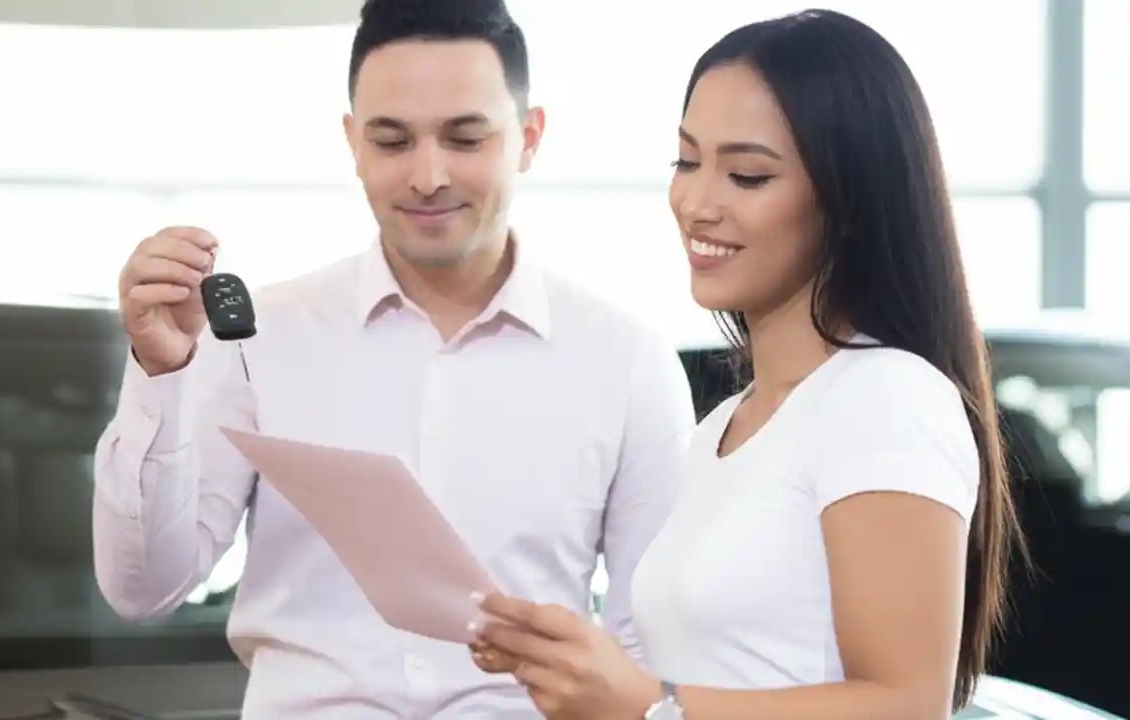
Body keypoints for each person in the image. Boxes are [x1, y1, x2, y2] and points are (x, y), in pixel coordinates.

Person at [91, 0, 696, 717]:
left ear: (529, 137)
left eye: (465, 139)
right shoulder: (260, 338)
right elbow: (142, 591)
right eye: (392, 141)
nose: (428, 176)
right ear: (352, 142)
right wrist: (161, 373)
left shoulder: (624, 358)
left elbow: (648, 655)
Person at [470, 9, 1027, 719]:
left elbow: (906, 705)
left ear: (849, 199)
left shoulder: (887, 398)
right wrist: (574, 666)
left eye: (747, 175)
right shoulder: (723, 430)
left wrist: (645, 706)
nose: (698, 202)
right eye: (687, 161)